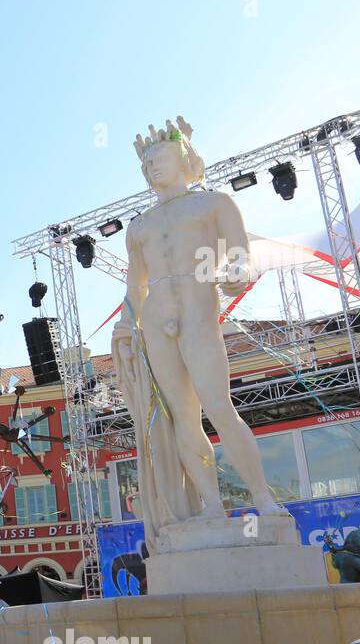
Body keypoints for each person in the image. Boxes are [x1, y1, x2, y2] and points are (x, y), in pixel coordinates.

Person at [112, 116, 289, 551]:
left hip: (197, 310)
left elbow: (243, 254)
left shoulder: (213, 204)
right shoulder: (139, 227)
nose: (153, 166)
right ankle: (211, 504)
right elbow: (136, 285)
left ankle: (263, 498)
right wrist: (124, 321)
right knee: (180, 417)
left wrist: (237, 271)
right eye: (147, 162)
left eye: (161, 157)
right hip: (157, 319)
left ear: (184, 158)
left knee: (219, 407)